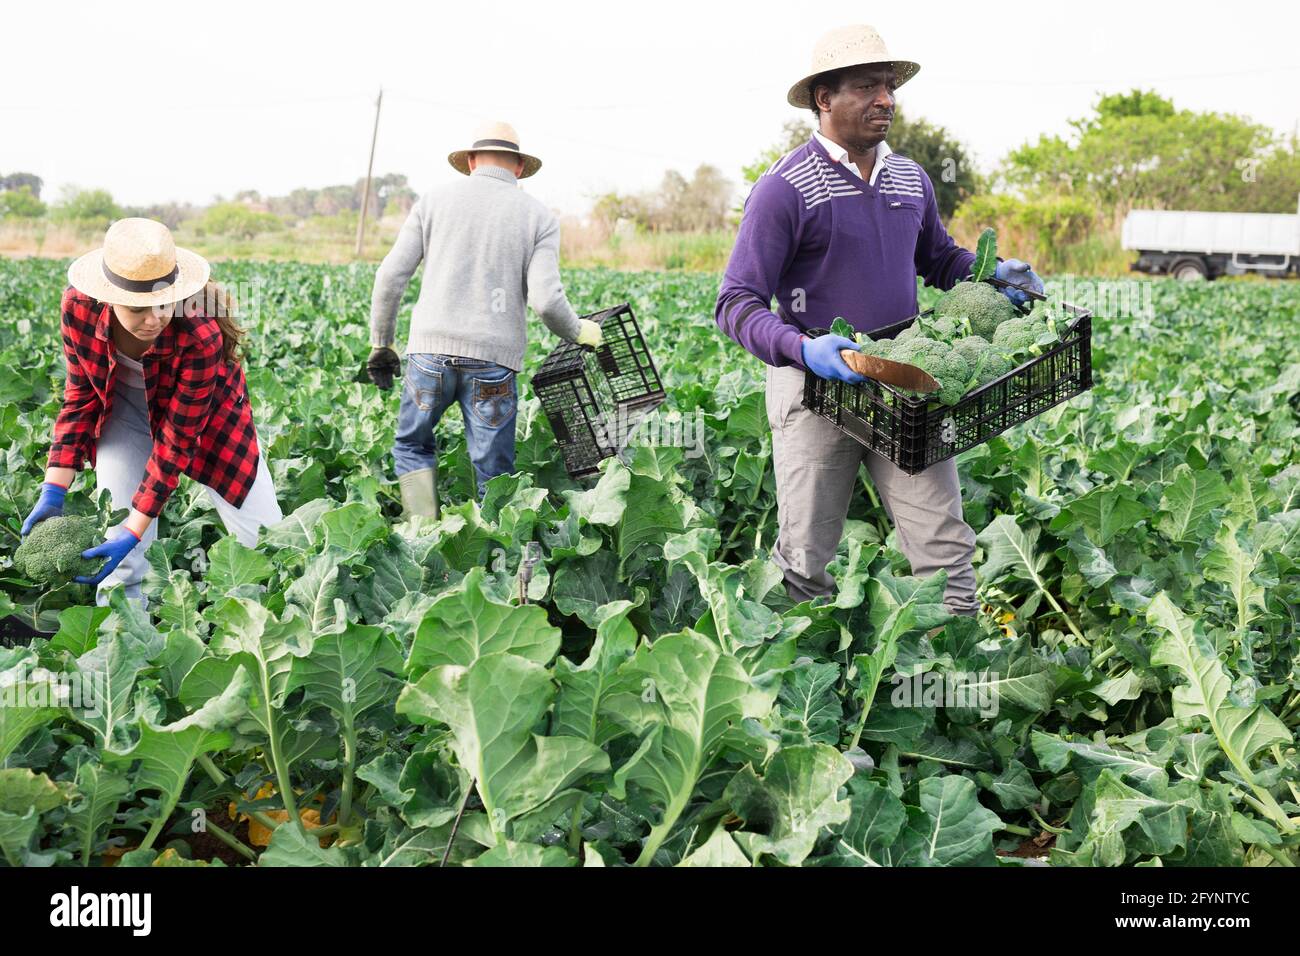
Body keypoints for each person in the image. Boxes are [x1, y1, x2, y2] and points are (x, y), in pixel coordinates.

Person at [715, 24, 1044, 616]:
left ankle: (955, 685)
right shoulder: (783, 189)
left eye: (889, 88)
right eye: (869, 87)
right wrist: (800, 348)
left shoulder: (910, 178)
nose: (886, 100)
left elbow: (939, 260)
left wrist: (989, 273)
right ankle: (803, 691)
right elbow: (735, 302)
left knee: (945, 548)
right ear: (824, 99)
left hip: (905, 382)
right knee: (807, 558)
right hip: (815, 382)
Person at [21, 218, 283, 605]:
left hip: (211, 425)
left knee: (265, 541)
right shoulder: (78, 309)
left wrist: (135, 529)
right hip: (124, 416)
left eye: (164, 301)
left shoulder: (199, 332)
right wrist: (54, 487)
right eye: (139, 307)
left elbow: (177, 441)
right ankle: (125, 651)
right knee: (123, 564)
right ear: (106, 298)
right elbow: (80, 396)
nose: (155, 317)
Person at [366, 121, 602, 516]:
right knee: (493, 471)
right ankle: (498, 555)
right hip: (494, 361)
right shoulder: (538, 216)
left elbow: (390, 276)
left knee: (413, 445)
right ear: (520, 167)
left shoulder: (433, 202)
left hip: (429, 355)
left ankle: (421, 534)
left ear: (471, 161)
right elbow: (546, 301)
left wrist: (382, 343)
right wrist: (578, 331)